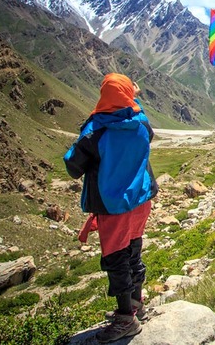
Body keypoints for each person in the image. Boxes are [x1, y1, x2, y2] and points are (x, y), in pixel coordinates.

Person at [64, 73, 158, 343]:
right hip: (140, 199)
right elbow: (143, 128)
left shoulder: (96, 129)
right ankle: (136, 304)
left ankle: (125, 318)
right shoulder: (142, 122)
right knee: (134, 250)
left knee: (116, 259)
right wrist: (134, 98)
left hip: (113, 204)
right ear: (129, 93)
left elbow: (73, 165)